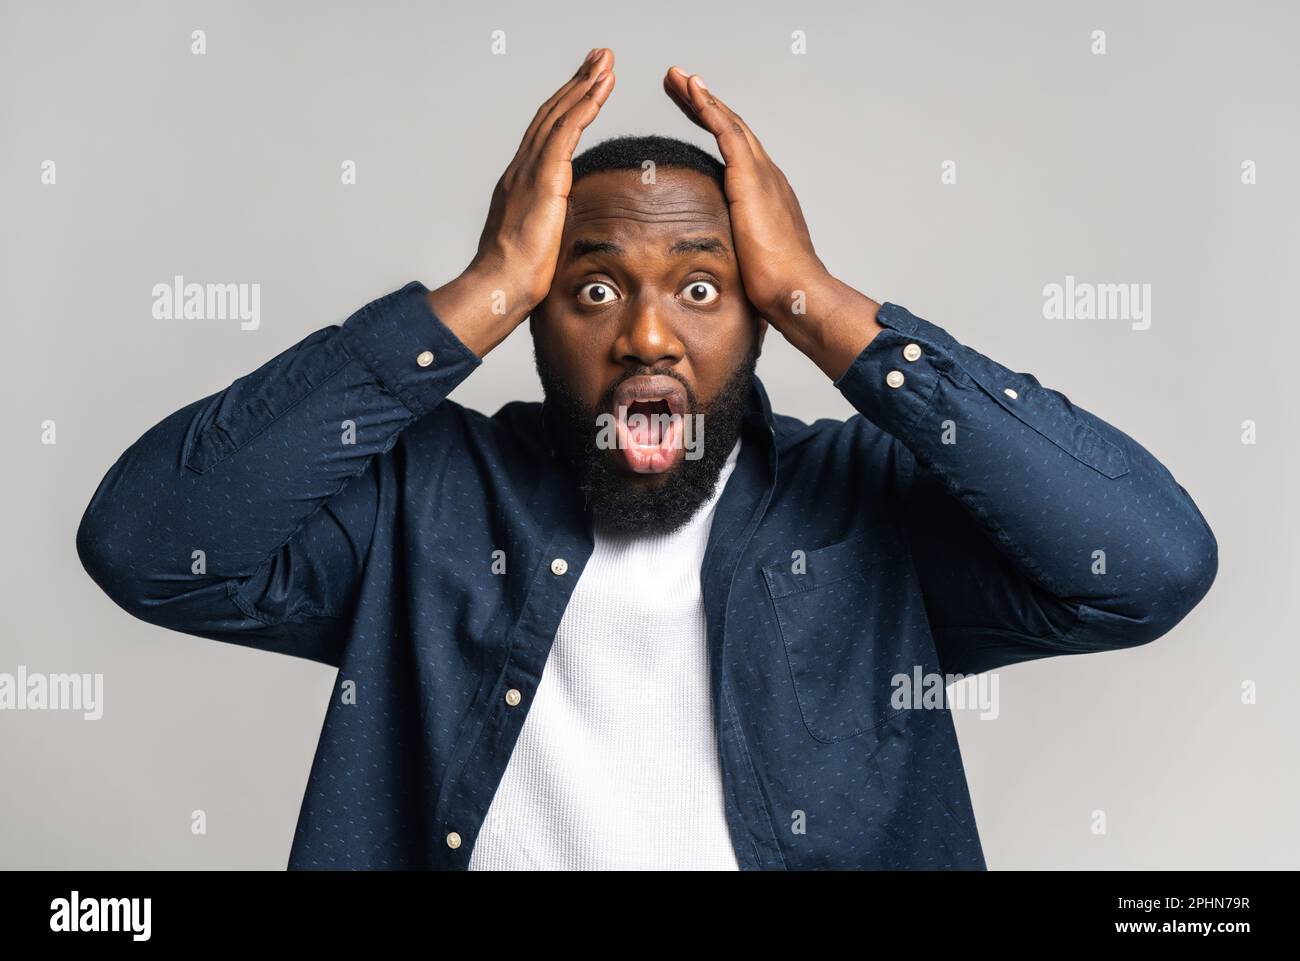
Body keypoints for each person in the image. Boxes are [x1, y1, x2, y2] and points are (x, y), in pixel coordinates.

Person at [76, 48, 1218, 870]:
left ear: (760, 318)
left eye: (705, 288)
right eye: (591, 288)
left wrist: (825, 303)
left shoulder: (861, 511)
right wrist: (470, 294)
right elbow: (147, 544)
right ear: (535, 319)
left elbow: (1150, 563)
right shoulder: (419, 499)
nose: (650, 335)